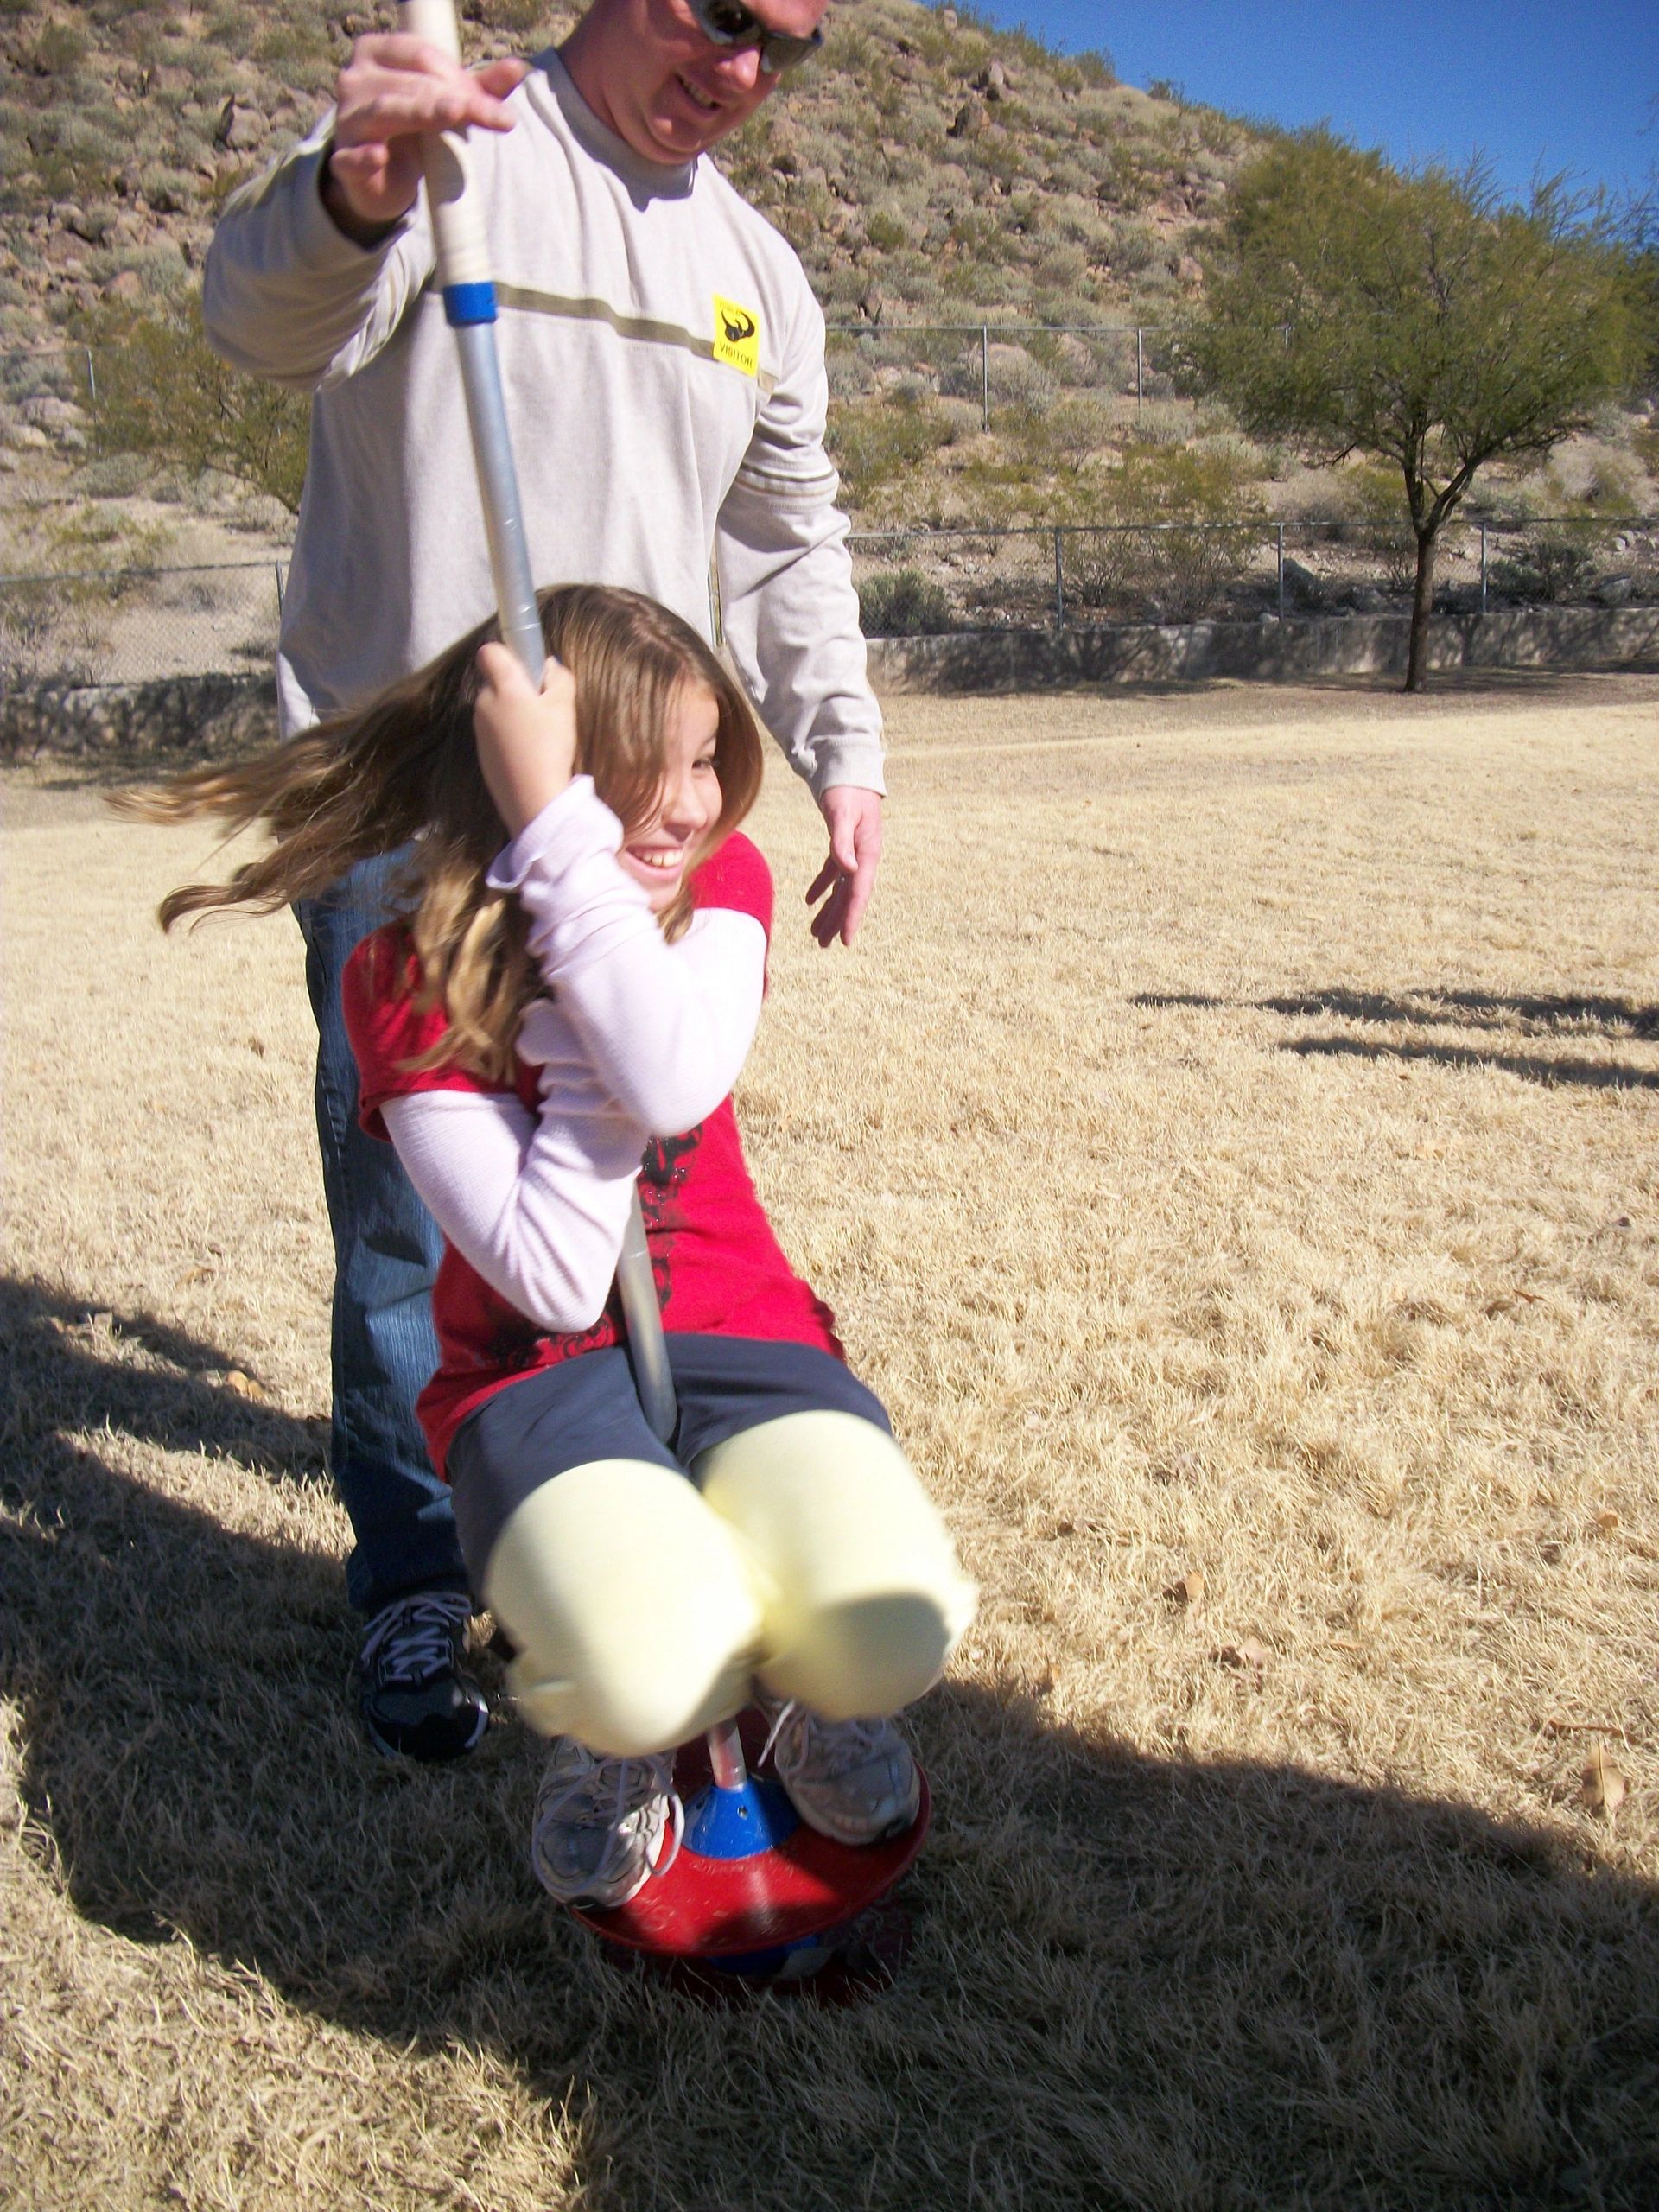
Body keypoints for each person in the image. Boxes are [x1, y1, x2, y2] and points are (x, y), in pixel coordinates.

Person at [201, 0, 887, 1757]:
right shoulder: (453, 165)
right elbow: (258, 318)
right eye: (722, 15)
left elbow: (786, 540)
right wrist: (354, 193)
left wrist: (843, 749)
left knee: (646, 1188)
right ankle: (421, 1569)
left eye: (791, 47)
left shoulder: (756, 274)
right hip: (424, 825)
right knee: (414, 1222)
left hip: (642, 833)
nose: (745, 69)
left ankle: (626, 1539)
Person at [141, 582, 973, 1906]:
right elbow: (554, 1277)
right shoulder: (400, 979)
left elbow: (671, 1079)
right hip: (535, 1371)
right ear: (537, 776)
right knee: (648, 1673)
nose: (694, 807)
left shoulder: (720, 887)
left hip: (740, 1326)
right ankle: (612, 1738)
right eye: (650, 771)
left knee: (887, 1631)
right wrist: (588, 1064)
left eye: (707, 760)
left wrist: (563, 865)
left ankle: (808, 1693)